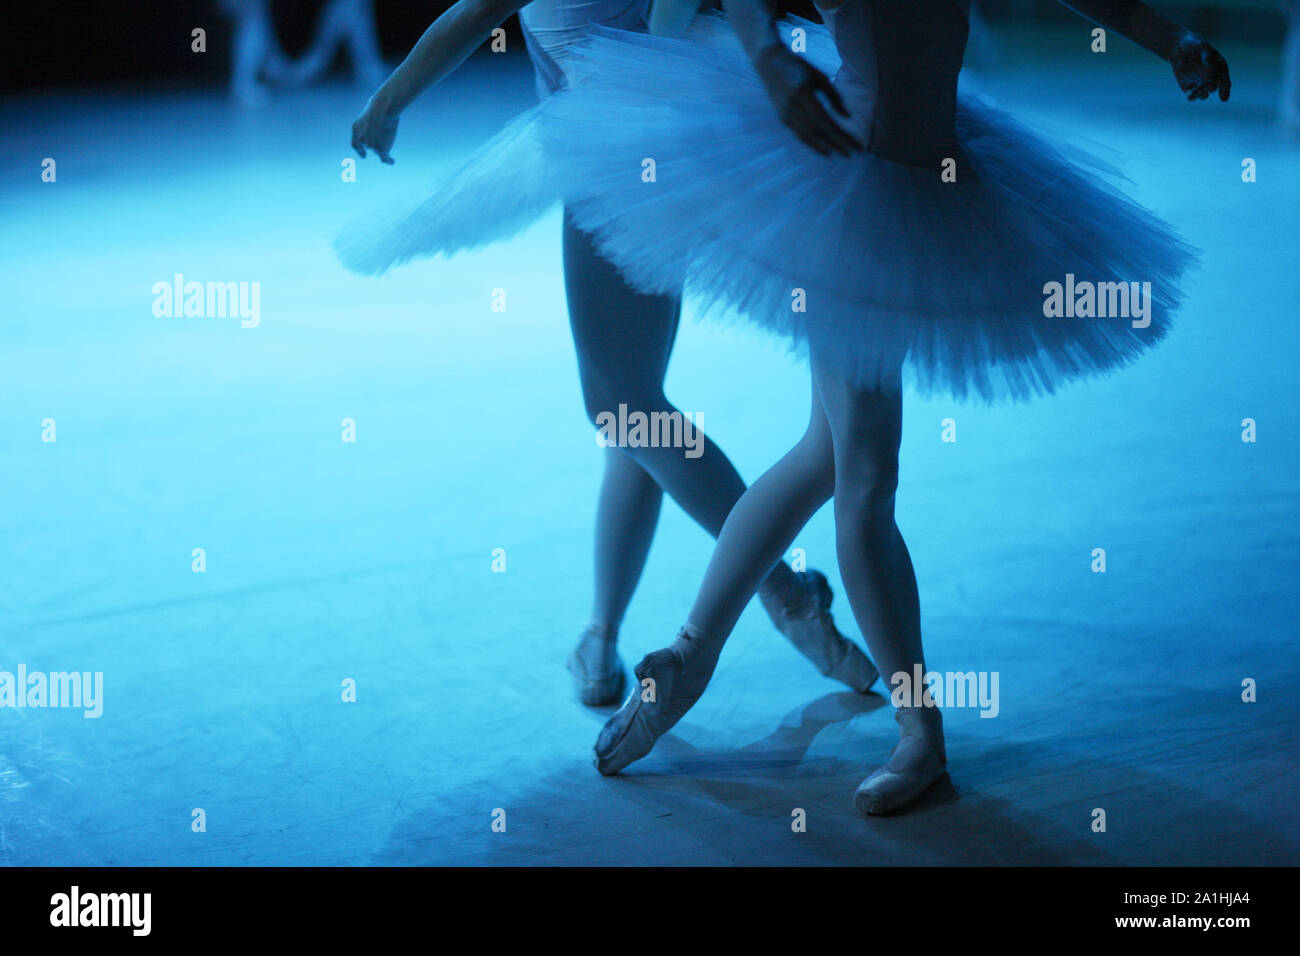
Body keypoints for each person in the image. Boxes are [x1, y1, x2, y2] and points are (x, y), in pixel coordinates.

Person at [531, 0, 1229, 813]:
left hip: (926, 183)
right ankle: (918, 730)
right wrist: (768, 61)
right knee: (866, 475)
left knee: (824, 456)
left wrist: (1171, 37)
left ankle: (688, 660)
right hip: (848, 199)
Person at [337, 0, 880, 707]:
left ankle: (783, 595)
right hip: (670, 147)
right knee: (634, 406)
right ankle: (602, 632)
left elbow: (472, 16)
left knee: (619, 406)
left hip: (621, 157)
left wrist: (387, 98)